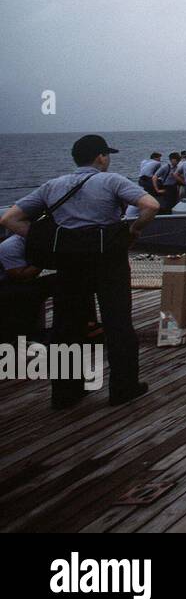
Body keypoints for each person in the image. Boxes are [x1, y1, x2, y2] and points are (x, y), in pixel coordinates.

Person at [0, 135, 158, 408]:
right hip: (108, 259)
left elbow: (9, 219)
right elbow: (150, 205)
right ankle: (123, 387)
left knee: (67, 326)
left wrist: (48, 241)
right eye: (106, 155)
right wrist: (133, 231)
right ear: (100, 157)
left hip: (69, 262)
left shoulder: (53, 185)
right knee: (117, 322)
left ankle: (65, 393)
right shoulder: (111, 181)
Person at [0, 233, 52, 347]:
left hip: (17, 285)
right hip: (8, 287)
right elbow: (20, 276)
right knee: (28, 293)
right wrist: (45, 259)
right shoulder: (10, 246)